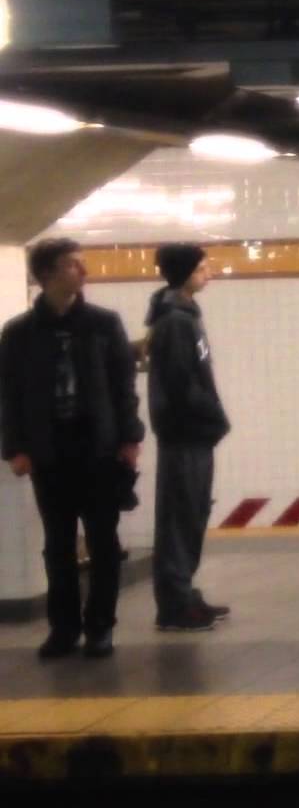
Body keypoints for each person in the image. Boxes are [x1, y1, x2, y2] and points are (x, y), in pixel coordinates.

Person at [0, 240, 144, 659]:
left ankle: (100, 627)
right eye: (71, 264)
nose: (82, 270)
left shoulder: (103, 324)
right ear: (46, 275)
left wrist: (130, 437)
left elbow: (124, 388)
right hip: (49, 451)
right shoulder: (19, 333)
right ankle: (63, 628)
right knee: (57, 544)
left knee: (103, 541)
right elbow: (9, 396)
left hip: (98, 449)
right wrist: (14, 448)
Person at [147, 243, 231, 632]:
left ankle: (181, 593)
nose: (209, 272)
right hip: (186, 432)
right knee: (181, 516)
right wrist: (214, 417)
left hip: (192, 432)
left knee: (191, 513)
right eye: (202, 267)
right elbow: (183, 383)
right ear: (184, 273)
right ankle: (174, 603)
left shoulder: (183, 315)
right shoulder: (177, 321)